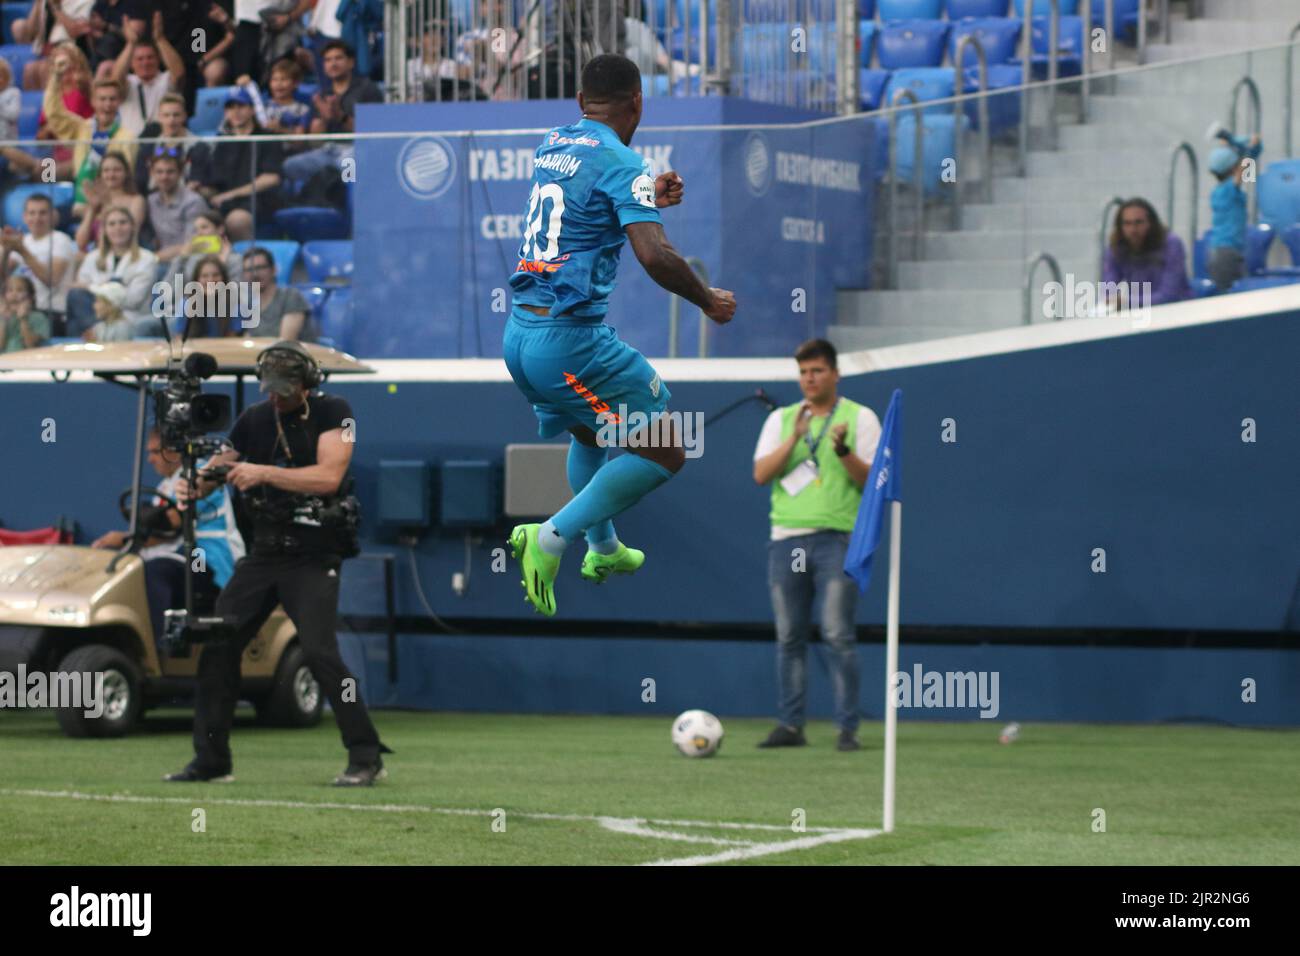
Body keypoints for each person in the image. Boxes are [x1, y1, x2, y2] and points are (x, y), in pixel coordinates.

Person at [503, 53, 735, 617]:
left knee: (589, 433)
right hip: (571, 343)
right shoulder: (624, 159)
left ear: (581, 103)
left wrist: (644, 195)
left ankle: (604, 549)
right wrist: (707, 299)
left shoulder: (553, 143)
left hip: (518, 336)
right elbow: (654, 256)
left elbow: (583, 206)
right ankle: (551, 537)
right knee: (668, 448)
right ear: (639, 102)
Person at [165, 340, 391, 786]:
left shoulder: (336, 412)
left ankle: (366, 756)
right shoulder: (253, 419)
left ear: (307, 384)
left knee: (320, 650)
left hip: (313, 552)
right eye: (270, 389)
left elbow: (329, 477)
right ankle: (211, 760)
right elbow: (219, 466)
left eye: (284, 390)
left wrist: (264, 473)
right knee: (218, 642)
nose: (275, 397)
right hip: (265, 552)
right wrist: (193, 486)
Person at [752, 339, 881, 752]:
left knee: (837, 633)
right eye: (804, 372)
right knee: (789, 636)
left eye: (818, 371)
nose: (810, 379)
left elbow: (872, 482)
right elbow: (760, 474)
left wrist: (842, 450)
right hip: (786, 538)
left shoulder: (860, 418)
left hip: (837, 539)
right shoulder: (782, 419)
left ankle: (847, 728)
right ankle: (790, 726)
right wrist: (795, 439)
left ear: (835, 374)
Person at [92, 426, 245, 650]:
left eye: (155, 452)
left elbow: (171, 523)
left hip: (208, 556)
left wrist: (125, 540)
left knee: (159, 571)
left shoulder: (200, 474)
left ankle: (162, 643)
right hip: (181, 552)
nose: (150, 459)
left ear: (173, 451)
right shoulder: (166, 485)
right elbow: (159, 535)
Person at [186, 87, 284, 241]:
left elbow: (271, 178)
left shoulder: (267, 138)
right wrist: (199, 189)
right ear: (225, 113)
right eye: (231, 107)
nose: (236, 112)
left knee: (237, 221)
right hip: (224, 202)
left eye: (241, 106)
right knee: (197, 218)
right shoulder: (221, 142)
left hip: (257, 201)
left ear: (252, 110)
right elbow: (214, 184)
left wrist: (229, 195)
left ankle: (243, 262)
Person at [281, 41, 381, 189]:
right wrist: (322, 121)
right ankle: (315, 202)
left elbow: (372, 133)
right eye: (328, 60)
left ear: (351, 62)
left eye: (338, 58)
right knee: (289, 166)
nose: (333, 63)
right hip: (327, 151)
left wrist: (340, 116)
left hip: (356, 150)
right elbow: (315, 143)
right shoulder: (321, 94)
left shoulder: (367, 89)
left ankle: (350, 206)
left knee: (348, 167)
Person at [43, 60, 138, 208]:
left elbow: (127, 177)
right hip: (81, 203)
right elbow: (54, 114)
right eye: (102, 99)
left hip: (112, 206)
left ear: (119, 102)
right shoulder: (83, 128)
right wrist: (56, 78)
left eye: (112, 99)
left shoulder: (127, 137)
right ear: (93, 101)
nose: (107, 105)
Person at [69, 204, 157, 333]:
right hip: (95, 316)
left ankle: (98, 335)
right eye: (112, 224)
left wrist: (94, 287)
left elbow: (133, 300)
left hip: (129, 318)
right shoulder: (92, 257)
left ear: (133, 227)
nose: (118, 228)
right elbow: (82, 293)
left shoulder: (147, 258)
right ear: (104, 230)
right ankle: (97, 333)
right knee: (76, 296)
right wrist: (115, 287)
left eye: (123, 223)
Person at [0, 193, 78, 331]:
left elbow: (52, 279)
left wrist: (22, 250)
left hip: (51, 312)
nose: (37, 218)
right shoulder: (24, 241)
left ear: (53, 216)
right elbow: (2, 279)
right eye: (32, 213)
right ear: (24, 217)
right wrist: (6, 250)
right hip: (20, 310)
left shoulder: (60, 240)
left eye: (42, 213)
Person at [1101, 198, 1191, 310]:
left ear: (1151, 223)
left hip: (1177, 311)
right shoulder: (1116, 247)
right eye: (1127, 224)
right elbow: (1108, 290)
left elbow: (1169, 296)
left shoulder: (1171, 244)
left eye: (1138, 222)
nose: (1133, 230)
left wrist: (1126, 302)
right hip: (1141, 312)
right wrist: (1112, 300)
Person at [106, 12, 186, 136]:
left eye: (150, 57)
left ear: (158, 60)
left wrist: (160, 39)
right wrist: (131, 44)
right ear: (131, 63)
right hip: (131, 145)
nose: (145, 62)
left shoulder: (165, 79)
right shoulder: (129, 82)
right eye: (140, 59)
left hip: (162, 143)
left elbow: (179, 73)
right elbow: (114, 81)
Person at [1206, 131, 1263, 291]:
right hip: (1226, 253)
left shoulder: (1220, 191)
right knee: (1228, 298)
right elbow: (1246, 166)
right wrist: (1248, 148)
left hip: (1224, 251)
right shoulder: (1229, 189)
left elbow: (1248, 170)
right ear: (1233, 168)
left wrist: (1243, 147)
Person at [73, 150, 146, 251]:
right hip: (98, 253)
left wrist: (107, 203)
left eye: (117, 170)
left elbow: (128, 236)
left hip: (125, 253)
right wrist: (92, 208)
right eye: (106, 170)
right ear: (100, 174)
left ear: (126, 173)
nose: (111, 175)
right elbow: (80, 242)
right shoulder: (96, 200)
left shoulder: (137, 200)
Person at [241, 245, 312, 340]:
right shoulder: (248, 303)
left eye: (260, 267)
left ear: (274, 270)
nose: (254, 274)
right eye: (249, 270)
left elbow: (285, 342)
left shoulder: (290, 296)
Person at [146, 151, 209, 258]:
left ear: (180, 173)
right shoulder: (151, 200)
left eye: (170, 172)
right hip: (160, 260)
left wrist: (155, 258)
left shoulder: (193, 202)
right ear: (152, 173)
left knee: (177, 275)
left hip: (185, 261)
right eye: (159, 172)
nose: (164, 177)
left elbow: (193, 244)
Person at [0, 275, 51, 352]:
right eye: (10, 290)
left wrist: (23, 320)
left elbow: (30, 346)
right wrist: (3, 320)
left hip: (27, 360)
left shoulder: (38, 317)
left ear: (30, 297)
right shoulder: (2, 317)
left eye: (20, 290)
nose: (14, 294)